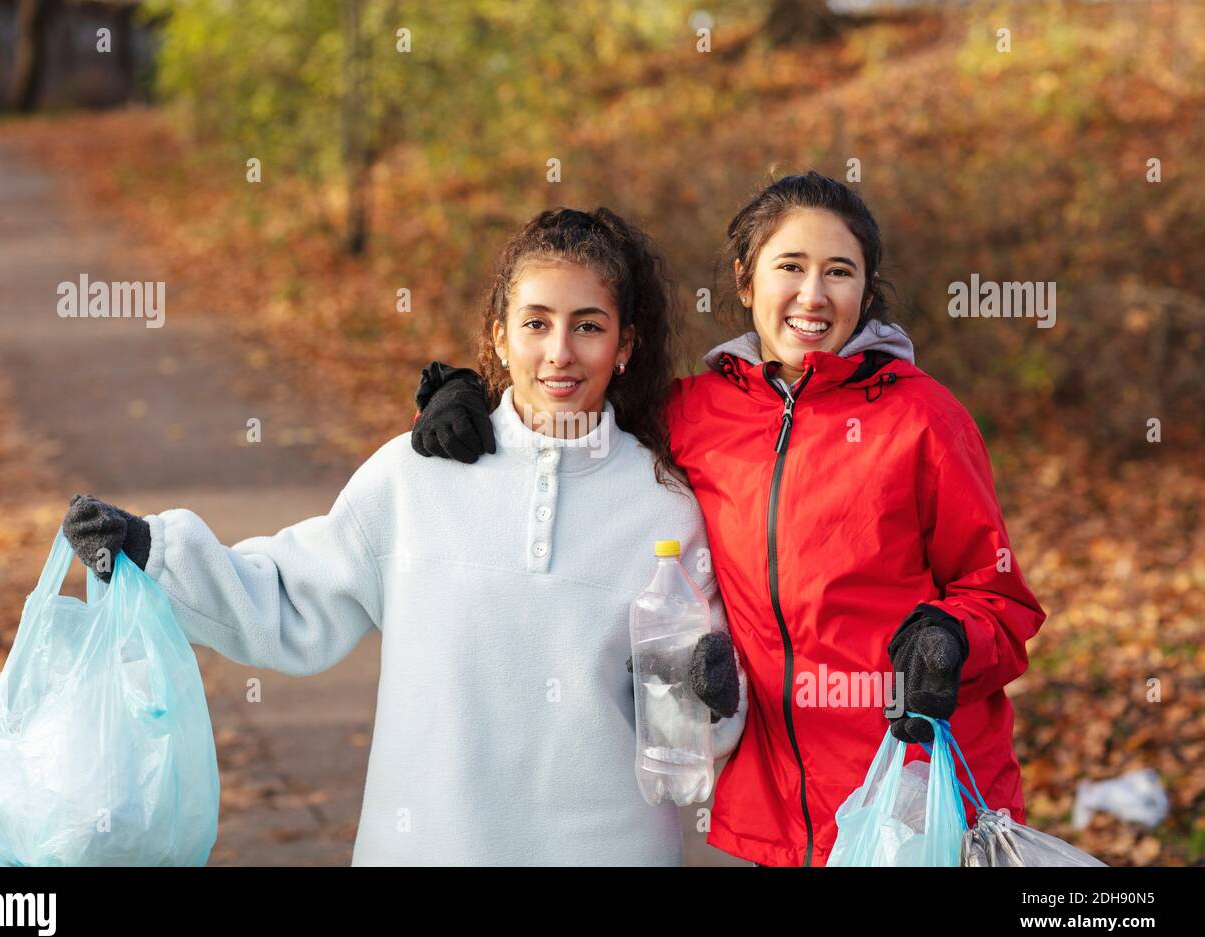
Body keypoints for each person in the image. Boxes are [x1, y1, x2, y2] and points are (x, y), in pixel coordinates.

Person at [61, 207, 747, 866]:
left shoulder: (663, 508)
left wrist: (708, 695)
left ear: (624, 345)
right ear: (500, 336)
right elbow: (289, 597)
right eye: (536, 323)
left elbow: (689, 731)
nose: (559, 352)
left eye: (588, 326)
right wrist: (154, 555)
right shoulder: (417, 474)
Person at [410, 172, 1047, 866]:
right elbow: (564, 404)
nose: (813, 296)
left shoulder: (923, 419)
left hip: (917, 806)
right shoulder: (692, 413)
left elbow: (1001, 598)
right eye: (791, 267)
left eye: (839, 272)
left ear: (866, 288)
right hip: (779, 812)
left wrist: (955, 638)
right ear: (745, 279)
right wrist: (464, 392)